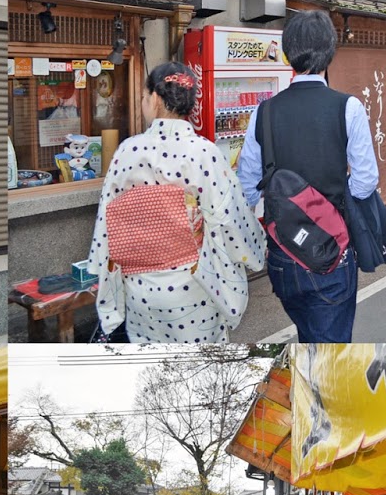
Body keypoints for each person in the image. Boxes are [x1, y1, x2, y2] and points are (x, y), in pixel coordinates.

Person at [88, 62, 265, 342]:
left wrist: (100, 266)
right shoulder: (204, 152)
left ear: (155, 99)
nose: (144, 103)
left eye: (144, 98)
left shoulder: (128, 151)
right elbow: (230, 218)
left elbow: (107, 217)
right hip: (193, 285)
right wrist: (255, 249)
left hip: (139, 288)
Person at [238, 10, 378, 341]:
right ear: (329, 51)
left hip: (283, 256)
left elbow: (246, 189)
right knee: (330, 354)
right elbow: (364, 184)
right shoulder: (348, 107)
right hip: (331, 253)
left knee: (308, 337)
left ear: (288, 54)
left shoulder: (264, 111)